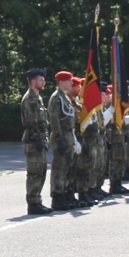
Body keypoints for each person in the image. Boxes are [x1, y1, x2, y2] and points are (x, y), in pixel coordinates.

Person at [19, 68, 52, 214]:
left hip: (39, 140)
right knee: (34, 172)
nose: (43, 82)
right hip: (33, 141)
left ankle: (37, 200)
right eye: (41, 79)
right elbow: (30, 121)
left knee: (41, 171)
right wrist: (37, 138)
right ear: (33, 82)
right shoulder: (30, 99)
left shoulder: (37, 97)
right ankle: (33, 203)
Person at [47, 71, 78, 210]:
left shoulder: (64, 97)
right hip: (61, 136)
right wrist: (58, 139)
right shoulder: (56, 98)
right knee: (59, 168)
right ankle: (57, 197)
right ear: (62, 82)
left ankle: (66, 194)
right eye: (69, 80)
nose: (72, 83)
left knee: (67, 168)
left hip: (68, 136)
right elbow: (54, 120)